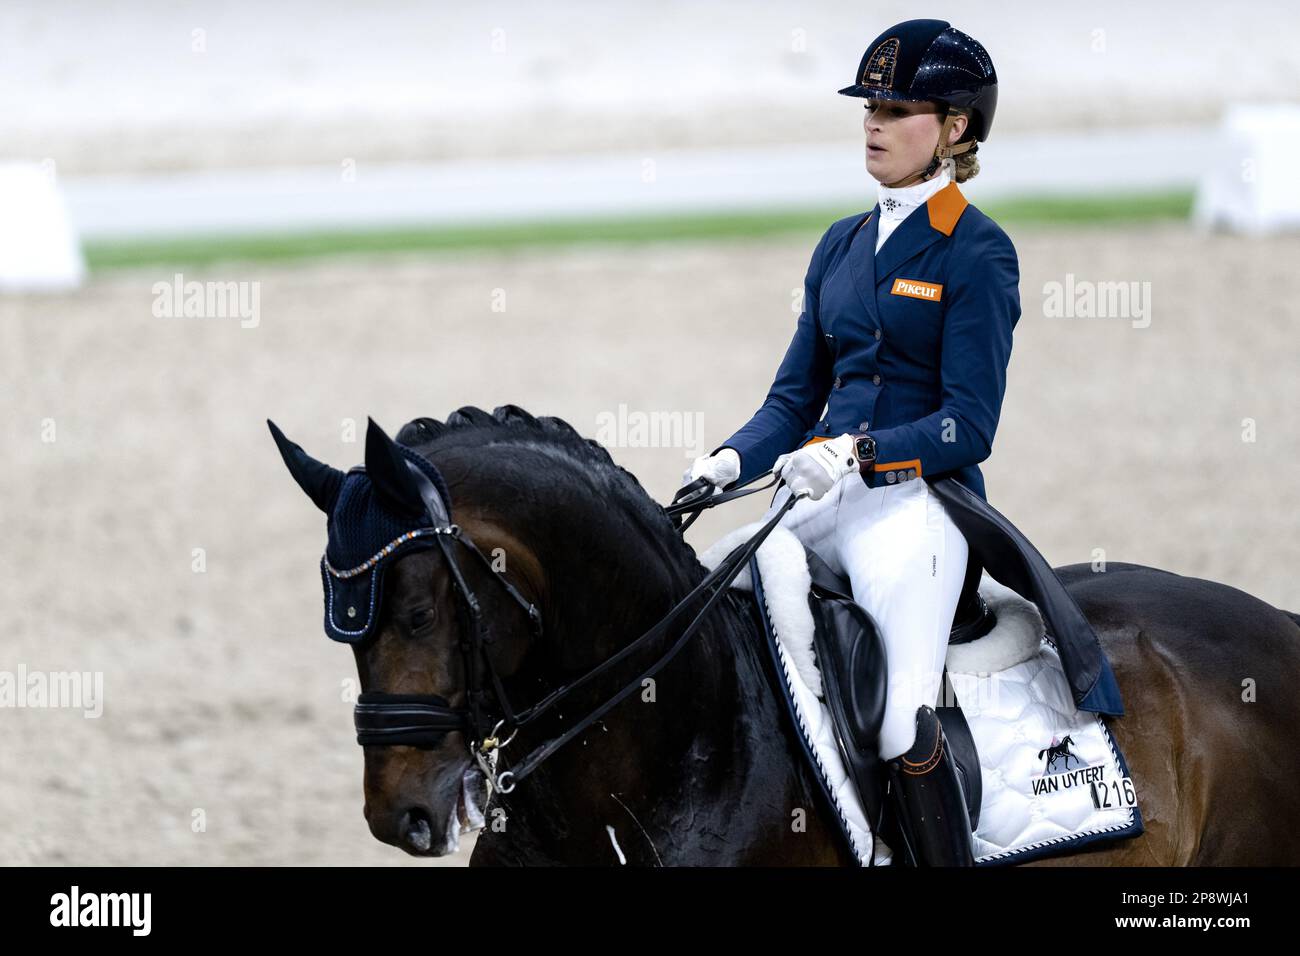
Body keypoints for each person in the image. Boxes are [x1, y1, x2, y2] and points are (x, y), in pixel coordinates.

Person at [684, 19, 1012, 866]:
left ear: (955, 128)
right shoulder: (839, 244)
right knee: (710, 616)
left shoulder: (976, 251)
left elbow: (968, 423)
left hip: (917, 507)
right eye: (868, 104)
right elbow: (792, 399)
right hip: (817, 495)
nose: (872, 121)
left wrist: (859, 455)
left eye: (897, 108)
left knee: (905, 714)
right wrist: (727, 461)